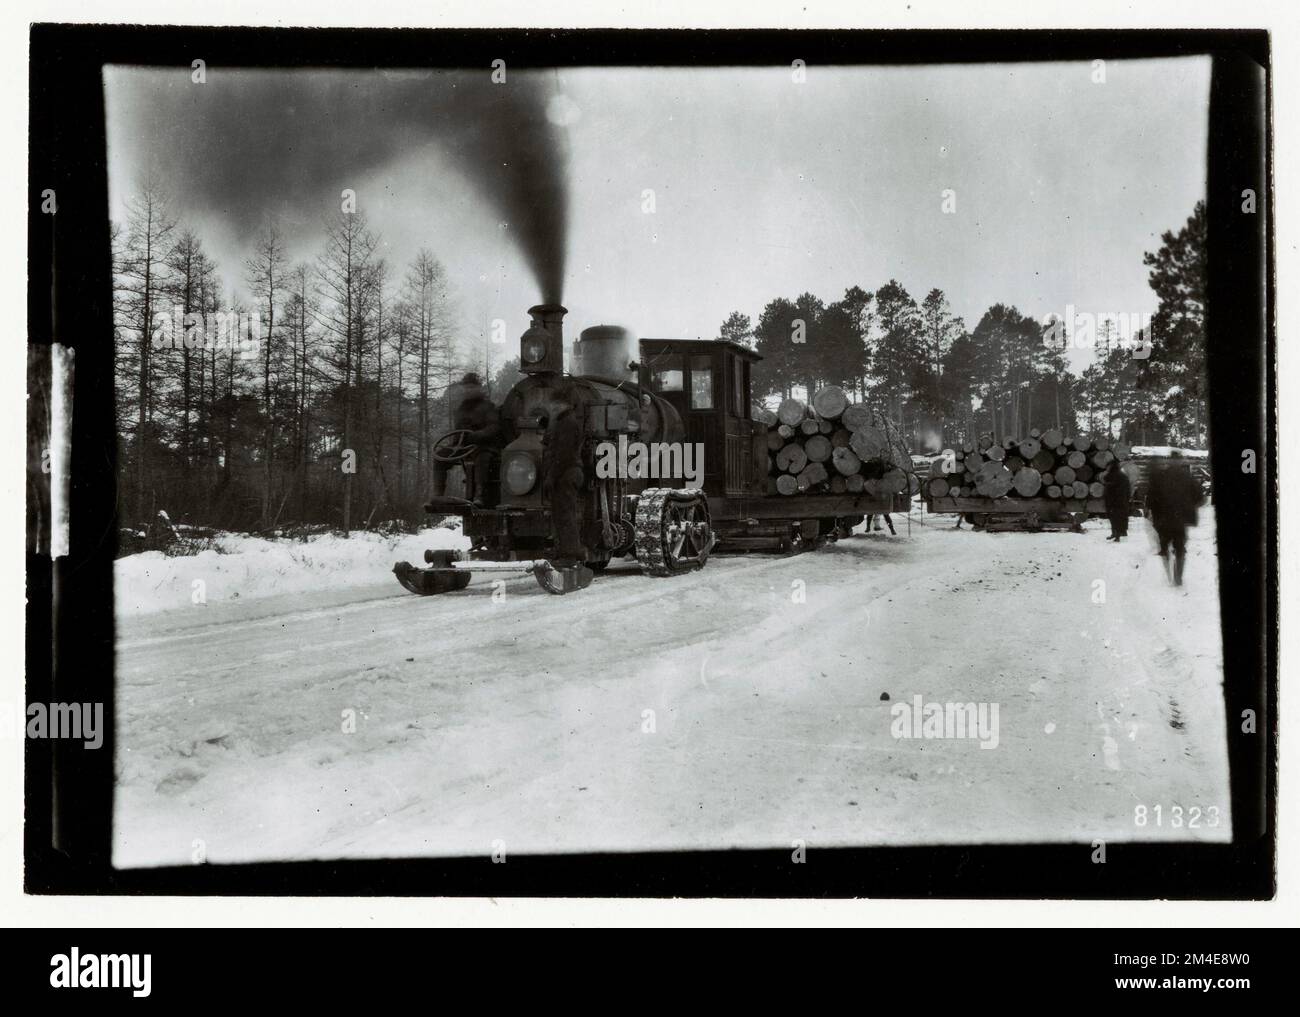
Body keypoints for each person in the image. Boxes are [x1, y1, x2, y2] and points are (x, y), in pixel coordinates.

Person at [426, 373, 502, 509]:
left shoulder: (489, 407)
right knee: (439, 458)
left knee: (482, 459)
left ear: (479, 388)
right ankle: (438, 494)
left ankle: (480, 496)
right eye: (466, 387)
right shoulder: (461, 409)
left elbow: (494, 428)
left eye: (472, 387)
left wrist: (477, 435)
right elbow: (458, 431)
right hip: (462, 446)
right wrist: (456, 444)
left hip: (485, 446)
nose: (468, 390)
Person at [541, 383, 589, 566]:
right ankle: (567, 552)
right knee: (562, 513)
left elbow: (564, 455)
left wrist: (551, 477)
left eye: (555, 404)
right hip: (565, 472)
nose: (552, 407)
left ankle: (570, 555)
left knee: (565, 513)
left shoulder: (567, 423)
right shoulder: (562, 422)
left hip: (566, 473)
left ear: (564, 404)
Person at [1145, 455, 1203, 586]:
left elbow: (1151, 498)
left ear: (1170, 461)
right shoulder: (1188, 477)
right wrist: (1189, 506)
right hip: (1180, 520)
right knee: (1180, 547)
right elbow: (1200, 497)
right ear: (1180, 461)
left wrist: (1152, 511)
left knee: (1164, 547)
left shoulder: (1161, 477)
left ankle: (1169, 574)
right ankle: (1178, 576)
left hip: (1163, 519)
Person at [1102, 460, 1132, 541]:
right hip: (1114, 500)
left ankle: (1117, 535)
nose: (1107, 468)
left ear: (1112, 466)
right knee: (1113, 517)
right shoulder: (1114, 475)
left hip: (1117, 500)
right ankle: (1114, 533)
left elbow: (1118, 488)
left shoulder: (1118, 476)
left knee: (1116, 517)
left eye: (1108, 466)